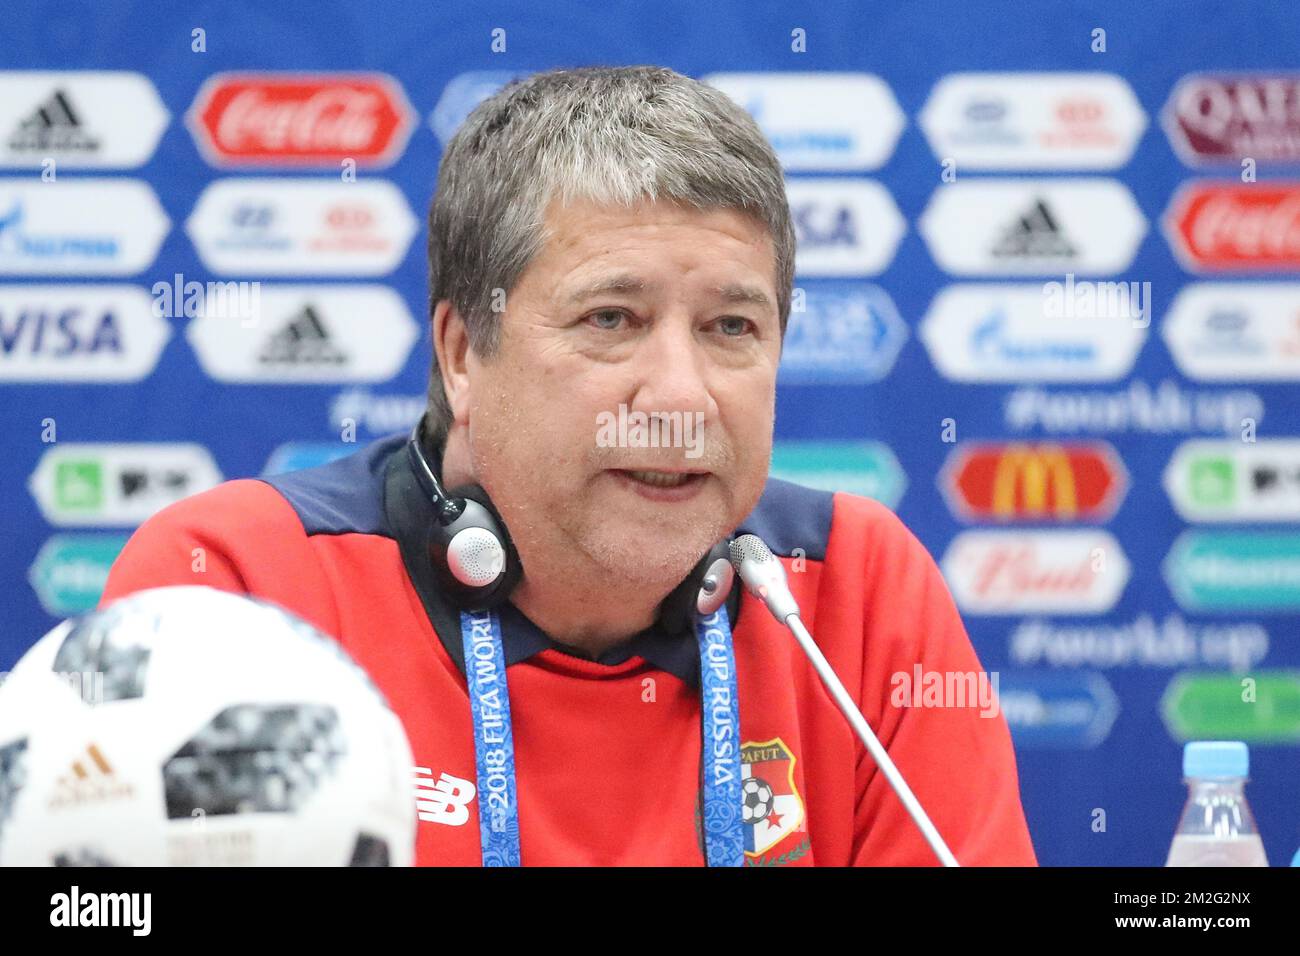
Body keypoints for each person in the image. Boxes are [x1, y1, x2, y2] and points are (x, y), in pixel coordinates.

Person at [101, 65, 1037, 866]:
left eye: (731, 328)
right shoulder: (241, 585)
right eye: (611, 320)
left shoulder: (856, 594)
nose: (680, 399)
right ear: (465, 354)